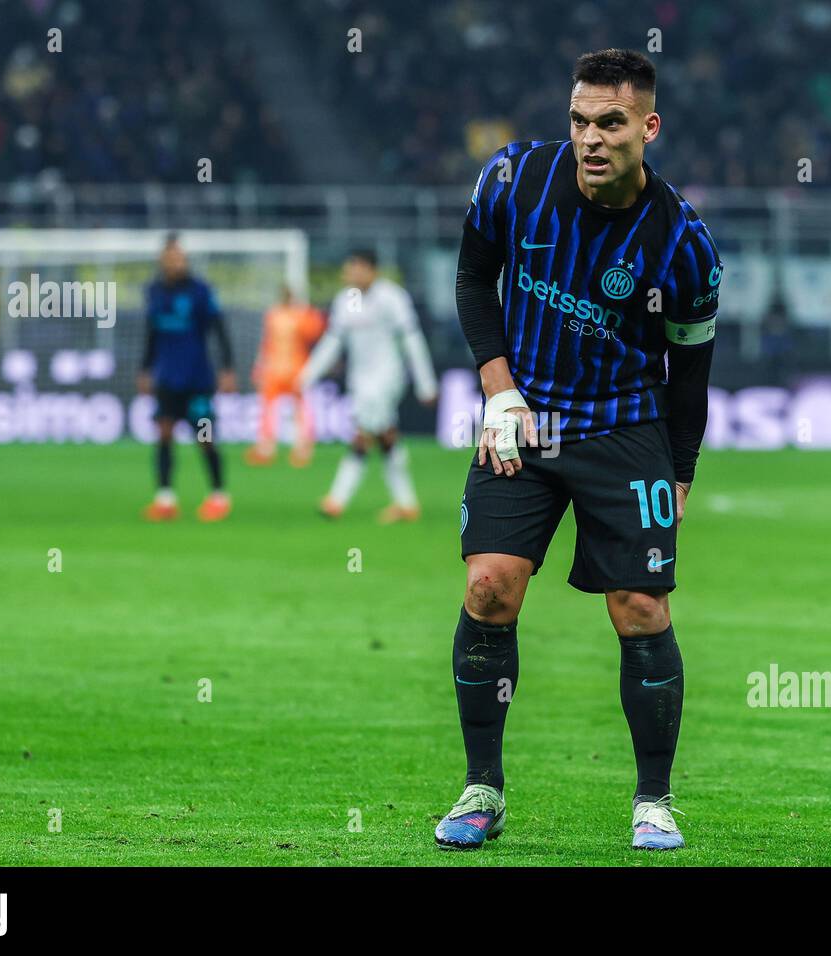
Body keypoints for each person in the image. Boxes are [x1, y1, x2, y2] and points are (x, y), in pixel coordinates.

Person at [436, 49, 722, 851]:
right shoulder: (513, 181)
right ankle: (482, 787)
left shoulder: (684, 246)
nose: (590, 138)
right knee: (489, 587)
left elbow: (690, 375)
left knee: (641, 608)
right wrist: (499, 392)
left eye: (610, 123)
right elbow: (472, 281)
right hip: (526, 419)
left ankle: (654, 800)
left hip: (625, 427)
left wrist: (683, 472)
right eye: (579, 120)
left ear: (648, 128)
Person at [299, 251, 438, 523]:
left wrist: (426, 382)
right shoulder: (345, 301)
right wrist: (307, 375)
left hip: (387, 378)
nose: (348, 275)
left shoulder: (392, 298)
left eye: (354, 269)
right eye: (347, 270)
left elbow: (412, 340)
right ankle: (406, 504)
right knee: (386, 437)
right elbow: (332, 342)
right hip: (360, 381)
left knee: (362, 435)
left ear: (371, 270)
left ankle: (336, 500)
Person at [137, 234, 236, 522]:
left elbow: (219, 329)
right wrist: (145, 368)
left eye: (180, 257)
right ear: (162, 260)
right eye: (170, 257)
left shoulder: (201, 291)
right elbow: (151, 333)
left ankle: (219, 495)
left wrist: (227, 368)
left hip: (197, 378)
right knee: (164, 433)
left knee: (204, 437)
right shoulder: (154, 291)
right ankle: (165, 498)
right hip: (167, 377)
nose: (175, 262)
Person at [246, 283, 325, 467]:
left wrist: (308, 313)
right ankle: (266, 447)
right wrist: (259, 367)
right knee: (268, 409)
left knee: (301, 410)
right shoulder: (273, 314)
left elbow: (315, 331)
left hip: (296, 368)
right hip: (274, 369)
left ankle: (302, 447)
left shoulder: (301, 314)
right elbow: (267, 344)